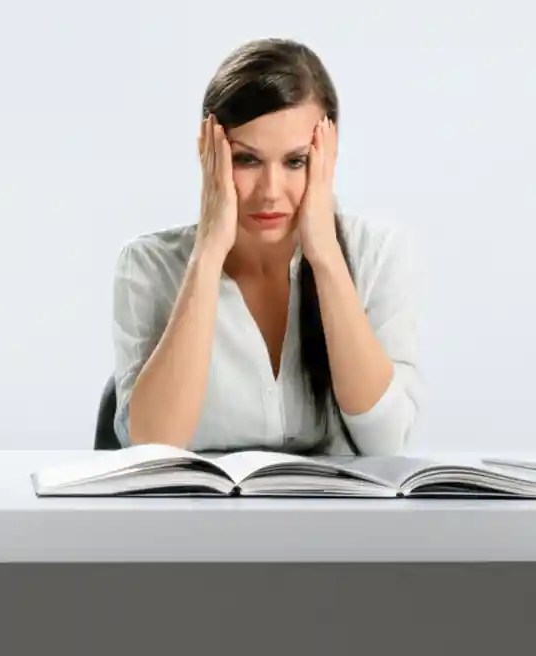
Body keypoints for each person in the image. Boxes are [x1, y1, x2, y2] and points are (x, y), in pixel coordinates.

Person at [111, 37, 422, 455]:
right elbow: (152, 446)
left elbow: (385, 443)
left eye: (295, 161)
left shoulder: (377, 254)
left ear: (327, 157)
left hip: (332, 502)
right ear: (208, 154)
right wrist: (208, 254)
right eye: (247, 160)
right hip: (201, 500)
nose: (271, 191)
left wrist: (326, 256)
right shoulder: (147, 266)